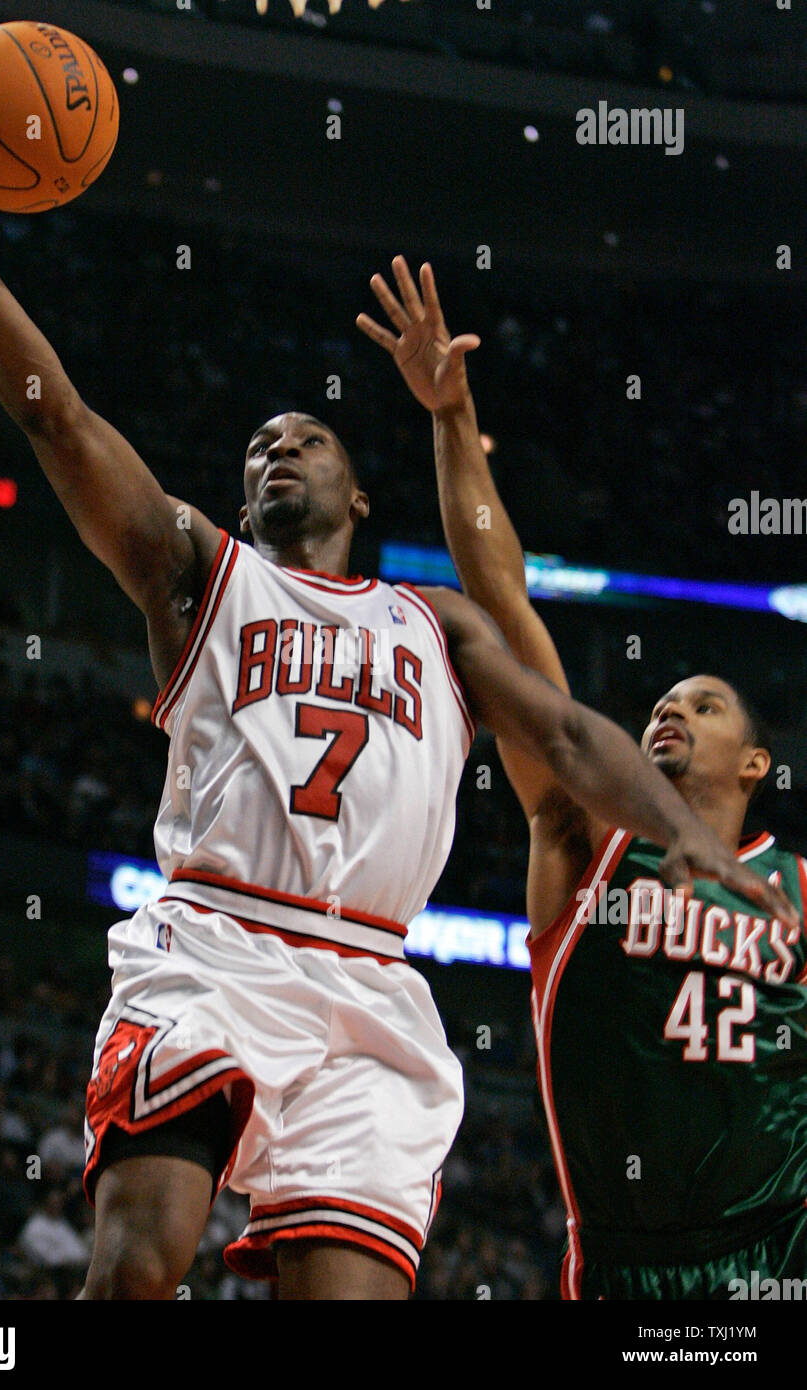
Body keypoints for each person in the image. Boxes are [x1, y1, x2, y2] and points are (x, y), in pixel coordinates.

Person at [0, 58, 794, 1301]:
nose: (278, 447)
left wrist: (673, 836)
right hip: (216, 943)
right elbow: (56, 418)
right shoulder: (197, 573)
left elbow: (566, 729)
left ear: (357, 494)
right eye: (260, 443)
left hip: (374, 981)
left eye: (306, 437)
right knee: (139, 1269)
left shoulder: (436, 626)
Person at [358, 256, 807, 1300]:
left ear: (754, 762)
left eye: (701, 704)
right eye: (662, 700)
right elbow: (500, 595)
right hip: (624, 1268)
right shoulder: (585, 839)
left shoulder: (799, 885)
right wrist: (450, 415)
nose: (667, 710)